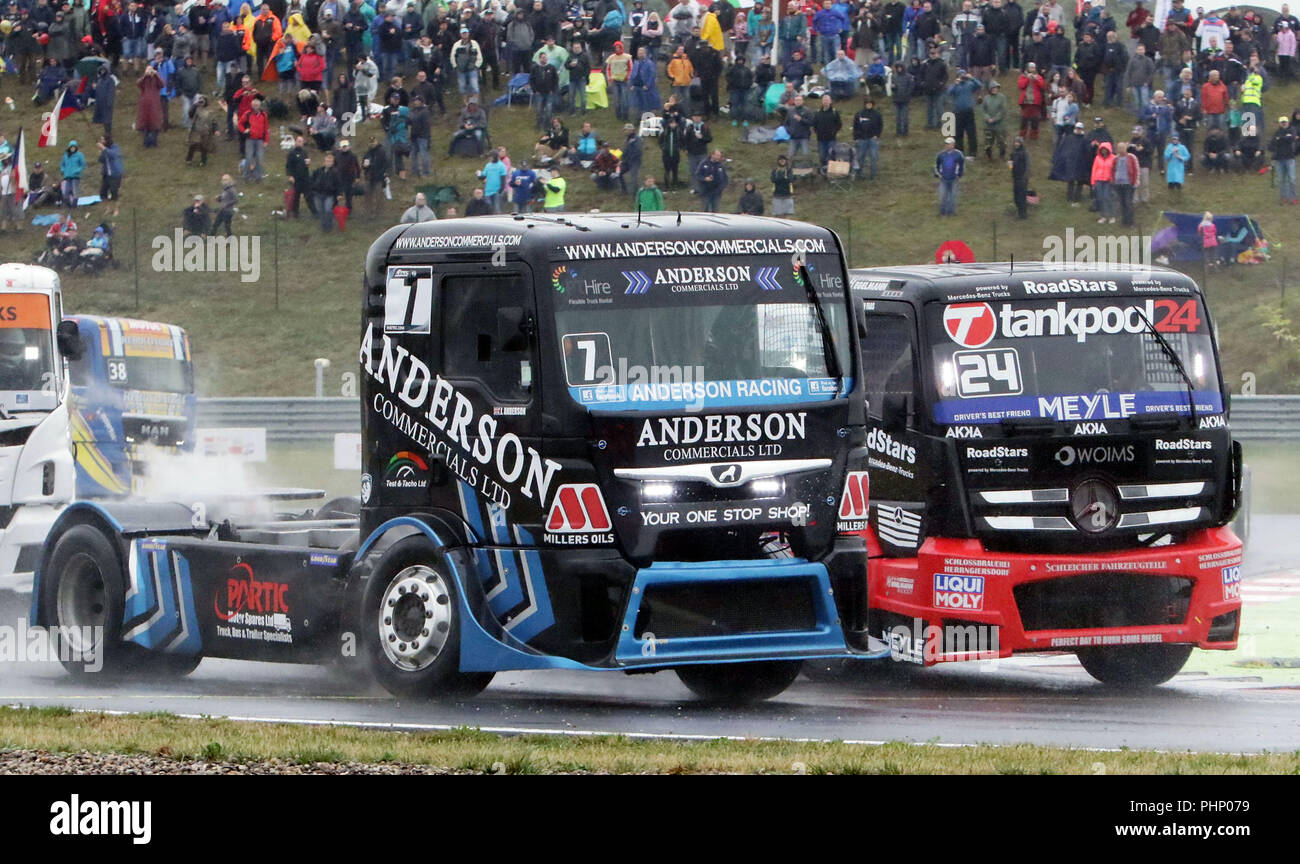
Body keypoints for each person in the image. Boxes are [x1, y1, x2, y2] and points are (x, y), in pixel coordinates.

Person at [852, 96, 883, 179]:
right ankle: (859, 175)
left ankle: (873, 175)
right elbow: (855, 127)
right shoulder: (859, 114)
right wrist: (856, 138)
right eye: (867, 103)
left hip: (873, 139)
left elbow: (880, 126)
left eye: (870, 104)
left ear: (873, 104)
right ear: (865, 104)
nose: (869, 105)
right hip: (862, 139)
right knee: (860, 157)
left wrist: (877, 135)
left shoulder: (877, 114)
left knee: (874, 157)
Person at [310, 151, 342, 232]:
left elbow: (339, 184)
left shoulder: (335, 173)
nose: (328, 163)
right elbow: (311, 180)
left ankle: (329, 226)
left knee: (328, 210)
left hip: (329, 195)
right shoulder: (318, 171)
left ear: (332, 163)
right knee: (320, 211)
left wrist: (339, 194)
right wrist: (313, 188)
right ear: (324, 162)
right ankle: (323, 226)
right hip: (318, 194)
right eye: (327, 161)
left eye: (330, 161)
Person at [1270, 115, 1298, 203]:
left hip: (1290, 158)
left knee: (1292, 179)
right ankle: (1283, 197)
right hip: (1279, 159)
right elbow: (1272, 143)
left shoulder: (1292, 130)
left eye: (1285, 122)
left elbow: (1292, 138)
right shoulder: (1277, 132)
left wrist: (1280, 139)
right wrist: (1284, 138)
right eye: (1282, 122)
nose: (1284, 124)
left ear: (1288, 122)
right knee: (1281, 180)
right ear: (1280, 123)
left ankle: (1293, 197)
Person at [935, 136, 965, 216]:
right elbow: (937, 165)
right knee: (943, 196)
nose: (947, 146)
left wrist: (959, 175)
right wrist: (939, 175)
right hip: (944, 179)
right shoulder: (941, 155)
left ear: (953, 145)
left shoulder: (958, 154)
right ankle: (942, 212)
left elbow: (961, 166)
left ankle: (951, 212)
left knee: (952, 196)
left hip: (953, 179)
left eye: (949, 144)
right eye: (946, 144)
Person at [1113, 141, 1140, 226]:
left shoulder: (1132, 157)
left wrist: (1136, 181)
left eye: (1122, 147)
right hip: (1118, 184)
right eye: (1119, 148)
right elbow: (1112, 170)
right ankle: (1124, 222)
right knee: (1122, 204)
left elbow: (1136, 169)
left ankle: (1131, 222)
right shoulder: (1115, 158)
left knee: (1128, 203)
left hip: (1128, 184)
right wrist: (1113, 180)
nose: (1120, 149)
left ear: (1125, 148)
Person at [285, 135, 312, 217]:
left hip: (305, 177)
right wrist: (290, 176)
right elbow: (288, 165)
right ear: (295, 142)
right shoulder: (292, 153)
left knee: (309, 196)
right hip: (296, 178)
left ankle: (314, 212)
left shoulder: (304, 152)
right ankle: (295, 213)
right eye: (299, 141)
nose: (300, 143)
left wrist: (308, 163)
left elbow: (306, 164)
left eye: (302, 141)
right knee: (296, 196)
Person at [97, 135, 124, 215]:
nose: (101, 141)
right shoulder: (104, 149)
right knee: (103, 192)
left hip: (115, 174)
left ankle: (116, 209)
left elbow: (113, 155)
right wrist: (101, 152)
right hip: (106, 174)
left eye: (102, 140)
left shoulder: (115, 147)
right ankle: (108, 208)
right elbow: (101, 160)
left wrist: (103, 148)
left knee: (114, 192)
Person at [1017, 62, 1045, 139]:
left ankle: (1034, 135)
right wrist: (1027, 79)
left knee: (1035, 119)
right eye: (1031, 67)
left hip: (1035, 102)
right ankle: (1022, 135)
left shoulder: (1039, 76)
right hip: (1025, 101)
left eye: (1034, 68)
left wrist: (1036, 80)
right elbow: (1021, 86)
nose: (1032, 69)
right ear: (1027, 68)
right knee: (1024, 119)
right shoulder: (1023, 76)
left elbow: (1042, 86)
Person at [812, 93, 842, 167]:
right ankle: (823, 172)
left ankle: (832, 173)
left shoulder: (834, 112)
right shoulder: (817, 112)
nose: (825, 101)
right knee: (822, 157)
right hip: (821, 139)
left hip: (831, 139)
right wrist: (817, 132)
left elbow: (839, 124)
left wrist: (834, 132)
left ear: (830, 101)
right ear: (822, 101)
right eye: (824, 100)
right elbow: (814, 124)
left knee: (831, 156)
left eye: (827, 100)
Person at [362, 137, 389, 217]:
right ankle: (369, 213)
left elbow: (385, 164)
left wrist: (382, 174)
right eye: (371, 142)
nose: (372, 143)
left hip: (379, 178)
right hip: (369, 177)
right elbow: (363, 165)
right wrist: (364, 166)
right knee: (367, 195)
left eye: (373, 142)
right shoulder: (367, 153)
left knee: (379, 196)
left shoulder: (382, 152)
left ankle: (379, 213)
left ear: (377, 142)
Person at [981, 80, 1007, 159]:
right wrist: (987, 118)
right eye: (993, 88)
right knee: (988, 142)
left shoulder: (1002, 97)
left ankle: (1002, 155)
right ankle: (989, 156)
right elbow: (983, 110)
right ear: (990, 89)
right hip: (988, 125)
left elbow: (1003, 110)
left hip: (999, 125)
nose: (995, 89)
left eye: (996, 88)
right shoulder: (986, 98)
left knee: (1001, 141)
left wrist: (995, 119)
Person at [1091, 141, 1116, 224]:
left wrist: (1114, 180)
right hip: (1098, 181)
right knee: (1100, 198)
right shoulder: (1097, 158)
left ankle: (1111, 216)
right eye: (1102, 149)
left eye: (1105, 149)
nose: (1103, 151)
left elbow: (1115, 170)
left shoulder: (1113, 158)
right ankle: (1103, 216)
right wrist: (1093, 182)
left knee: (1107, 198)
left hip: (1108, 181)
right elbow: (1094, 169)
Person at [891, 61, 914, 136]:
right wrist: (893, 88)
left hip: (905, 100)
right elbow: (893, 89)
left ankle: (905, 131)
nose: (899, 69)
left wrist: (906, 95)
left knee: (905, 117)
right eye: (898, 67)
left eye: (900, 67)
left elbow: (910, 88)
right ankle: (898, 131)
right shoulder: (894, 76)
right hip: (896, 99)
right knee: (897, 118)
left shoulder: (909, 77)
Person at [60, 141, 85, 206]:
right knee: (66, 191)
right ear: (69, 147)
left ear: (76, 148)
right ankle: (67, 204)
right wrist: (63, 170)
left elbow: (82, 164)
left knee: (75, 191)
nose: (72, 148)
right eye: (71, 147)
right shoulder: (65, 155)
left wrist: (77, 170)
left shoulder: (79, 155)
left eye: (74, 147)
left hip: (75, 176)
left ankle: (74, 205)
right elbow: (63, 164)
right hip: (67, 176)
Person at [1009, 136, 1029, 219]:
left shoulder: (1024, 153)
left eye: (1018, 142)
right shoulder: (1013, 153)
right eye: (1015, 142)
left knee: (1022, 197)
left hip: (1022, 178)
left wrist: (1025, 177)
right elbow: (1011, 166)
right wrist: (1010, 166)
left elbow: (1028, 166)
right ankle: (1019, 212)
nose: (1016, 144)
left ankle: (1023, 215)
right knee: (1016, 197)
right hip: (1015, 177)